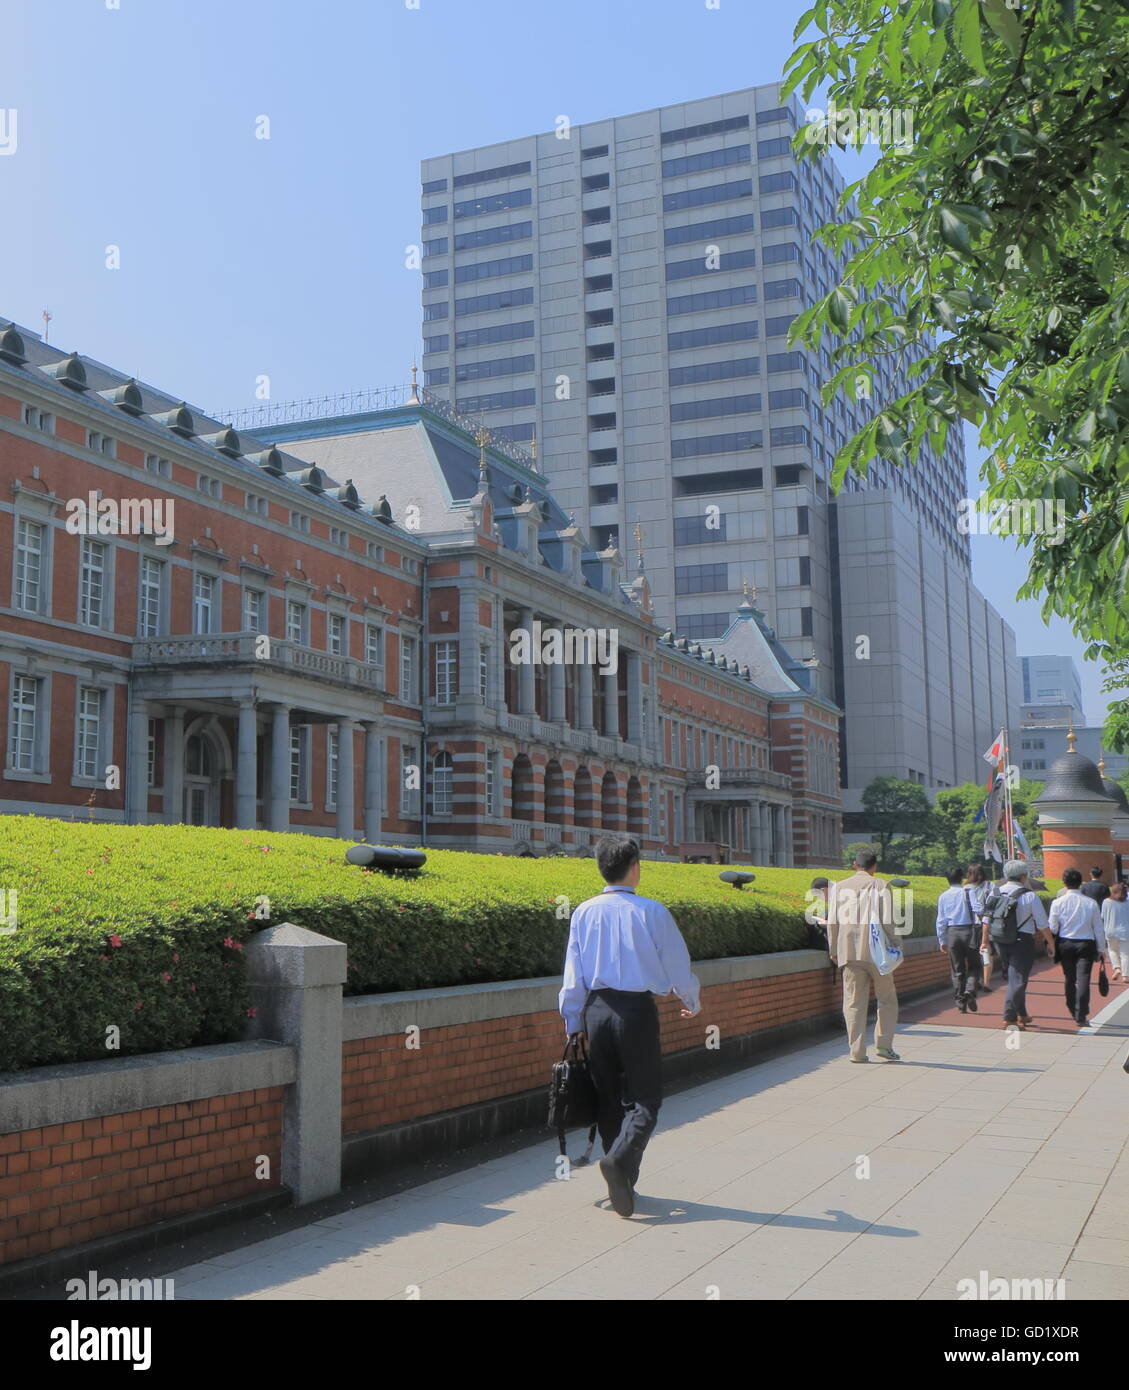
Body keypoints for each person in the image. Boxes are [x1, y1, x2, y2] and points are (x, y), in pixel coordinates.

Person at [558, 833, 700, 1218]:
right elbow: (677, 963)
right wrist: (691, 1000)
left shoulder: (584, 912)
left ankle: (621, 1175)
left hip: (596, 1011)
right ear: (634, 868)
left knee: (608, 1098)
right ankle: (619, 1162)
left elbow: (573, 973)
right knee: (645, 1099)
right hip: (636, 1011)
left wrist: (573, 1019)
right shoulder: (652, 912)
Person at [825, 847, 901, 1063]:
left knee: (853, 1002)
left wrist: (833, 950)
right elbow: (888, 921)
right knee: (887, 999)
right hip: (878, 953)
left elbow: (833, 922)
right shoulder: (881, 885)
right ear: (874, 866)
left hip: (849, 951)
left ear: (854, 865)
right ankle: (884, 1045)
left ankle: (857, 1051)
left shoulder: (839, 887)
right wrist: (897, 946)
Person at [979, 859, 1055, 1031]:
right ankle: (1009, 1017)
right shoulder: (1029, 896)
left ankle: (1022, 1014)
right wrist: (1051, 943)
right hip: (1022, 941)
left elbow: (986, 920)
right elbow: (1042, 924)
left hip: (1000, 940)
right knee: (1017, 980)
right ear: (1023, 876)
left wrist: (985, 942)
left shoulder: (995, 893)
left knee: (1015, 978)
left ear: (1006, 876)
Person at [1050, 867, 1109, 1027]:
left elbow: (1053, 928)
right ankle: (1081, 1014)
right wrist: (1101, 949)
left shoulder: (1057, 903)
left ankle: (1072, 1008)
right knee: (1084, 978)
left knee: (1070, 979)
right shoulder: (1090, 903)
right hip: (1086, 944)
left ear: (1064, 883)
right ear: (1081, 883)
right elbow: (1098, 928)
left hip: (1065, 943)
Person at [935, 867, 980, 1014]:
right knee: (974, 965)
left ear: (947, 879)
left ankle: (961, 1002)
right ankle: (970, 990)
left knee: (957, 969)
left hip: (952, 933)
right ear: (962, 878)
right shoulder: (968, 892)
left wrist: (942, 940)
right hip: (969, 931)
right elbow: (978, 909)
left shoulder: (943, 896)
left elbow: (940, 921)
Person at [966, 864, 994, 992]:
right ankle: (986, 982)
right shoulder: (990, 886)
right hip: (986, 923)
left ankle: (974, 980)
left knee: (972, 954)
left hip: (969, 925)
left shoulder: (965, 888)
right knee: (986, 952)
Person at [1102, 881, 1129, 981]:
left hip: (1110, 930)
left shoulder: (1106, 902)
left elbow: (1102, 916)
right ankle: (1125, 975)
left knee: (1112, 950)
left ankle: (1117, 968)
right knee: (1125, 954)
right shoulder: (1127, 903)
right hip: (1125, 931)